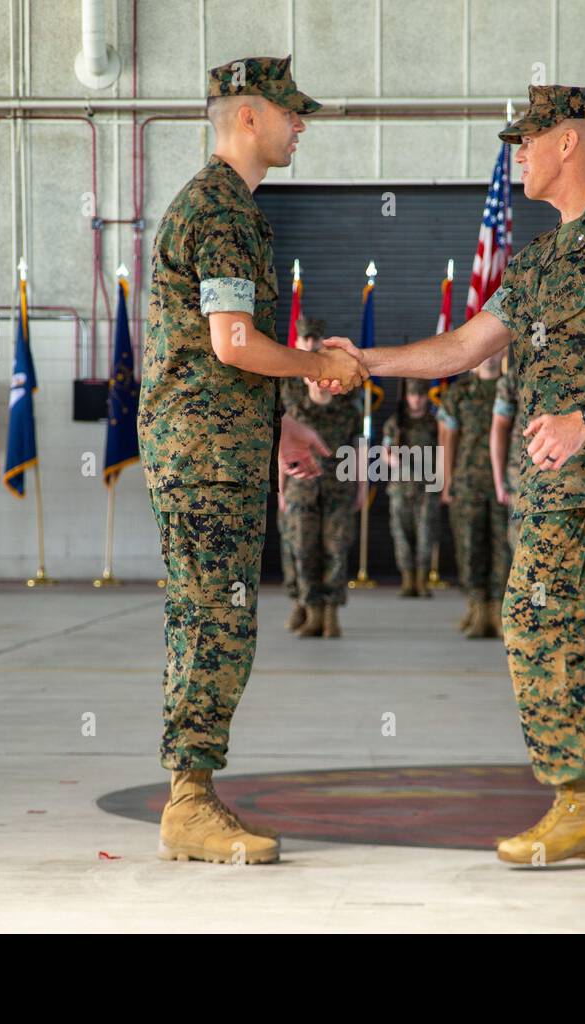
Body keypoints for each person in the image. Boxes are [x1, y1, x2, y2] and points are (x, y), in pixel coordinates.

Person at [320, 84, 585, 865]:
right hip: (565, 478)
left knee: (535, 613)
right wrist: (364, 361)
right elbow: (463, 347)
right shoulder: (542, 259)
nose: (516, 151)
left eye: (527, 138)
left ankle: (577, 798)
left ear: (568, 145)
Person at [138, 55, 366, 865]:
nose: (299, 124)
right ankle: (189, 801)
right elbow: (234, 345)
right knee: (212, 616)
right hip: (203, 455)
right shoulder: (221, 210)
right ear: (247, 117)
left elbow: (216, 357)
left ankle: (194, 790)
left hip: (219, 445)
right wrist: (319, 367)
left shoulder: (231, 207)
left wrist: (284, 430)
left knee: (218, 614)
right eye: (290, 112)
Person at [280, 317, 365, 637]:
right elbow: (283, 451)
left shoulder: (347, 409)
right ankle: (310, 609)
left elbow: (358, 449)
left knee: (336, 549)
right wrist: (280, 489)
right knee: (302, 549)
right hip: (301, 489)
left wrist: (361, 488)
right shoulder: (295, 409)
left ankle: (330, 614)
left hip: (339, 490)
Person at [439, 352, 509, 638]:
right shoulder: (460, 392)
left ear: (504, 352)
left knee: (504, 549)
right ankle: (477, 608)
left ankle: (498, 612)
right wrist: (447, 482)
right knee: (470, 548)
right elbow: (447, 438)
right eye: (486, 350)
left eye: (496, 350)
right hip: (468, 482)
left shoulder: (512, 387)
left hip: (505, 484)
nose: (490, 357)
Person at [383, 378, 440, 597]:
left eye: (420, 395)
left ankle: (422, 580)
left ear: (426, 396)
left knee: (427, 533)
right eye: (412, 395)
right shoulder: (395, 423)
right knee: (401, 534)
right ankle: (407, 580)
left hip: (427, 487)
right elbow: (385, 452)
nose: (416, 399)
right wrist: (392, 459)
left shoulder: (434, 422)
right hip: (400, 486)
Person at [490, 359, 527, 554]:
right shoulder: (514, 376)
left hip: (572, 477)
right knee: (520, 548)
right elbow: (500, 427)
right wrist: (499, 482)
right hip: (520, 477)